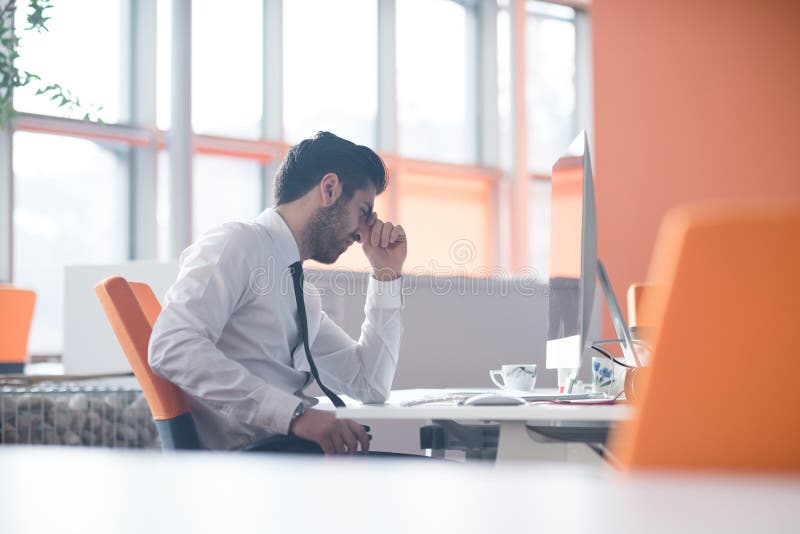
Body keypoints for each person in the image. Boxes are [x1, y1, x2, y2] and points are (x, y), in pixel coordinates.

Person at [149, 131, 407, 455]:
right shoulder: (238, 244)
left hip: (285, 457)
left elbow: (370, 385)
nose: (363, 232)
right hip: (258, 463)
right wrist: (295, 415)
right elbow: (171, 345)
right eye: (363, 211)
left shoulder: (301, 293)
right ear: (329, 189)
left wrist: (385, 276)